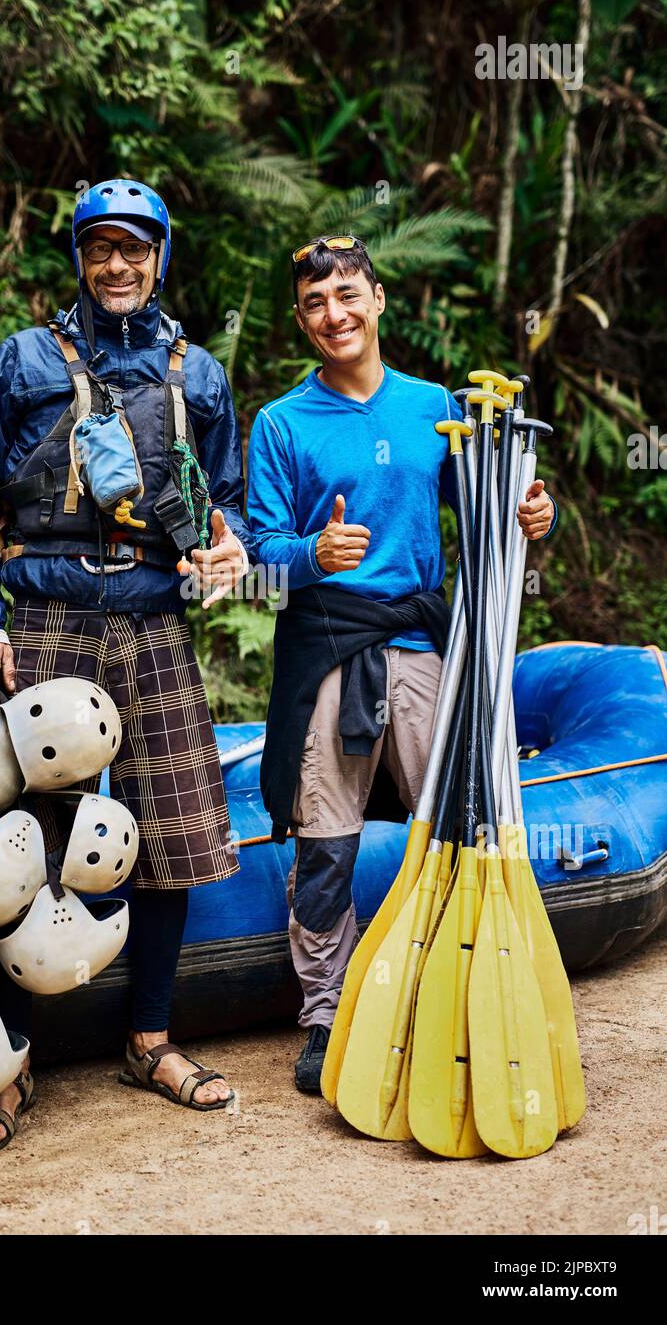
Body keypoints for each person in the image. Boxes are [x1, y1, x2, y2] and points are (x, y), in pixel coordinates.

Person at [0, 178, 252, 1145]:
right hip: (43, 617)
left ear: (162, 256)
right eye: (100, 248)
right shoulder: (26, 358)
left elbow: (228, 498)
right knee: (21, 845)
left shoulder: (196, 372)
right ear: (78, 257)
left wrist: (230, 544)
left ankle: (148, 1040)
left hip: (154, 621)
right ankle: (10, 1061)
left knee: (168, 835)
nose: (118, 265)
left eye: (136, 248)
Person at [246, 235, 556, 1093]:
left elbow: (491, 510)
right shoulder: (279, 423)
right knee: (325, 848)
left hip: (424, 651)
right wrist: (312, 551)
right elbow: (257, 555)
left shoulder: (435, 408)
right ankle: (323, 1017)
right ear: (302, 318)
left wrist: (536, 514)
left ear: (378, 300)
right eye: (315, 303)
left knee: (458, 824)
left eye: (347, 295)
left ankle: (452, 995)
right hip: (325, 648)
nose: (333, 315)